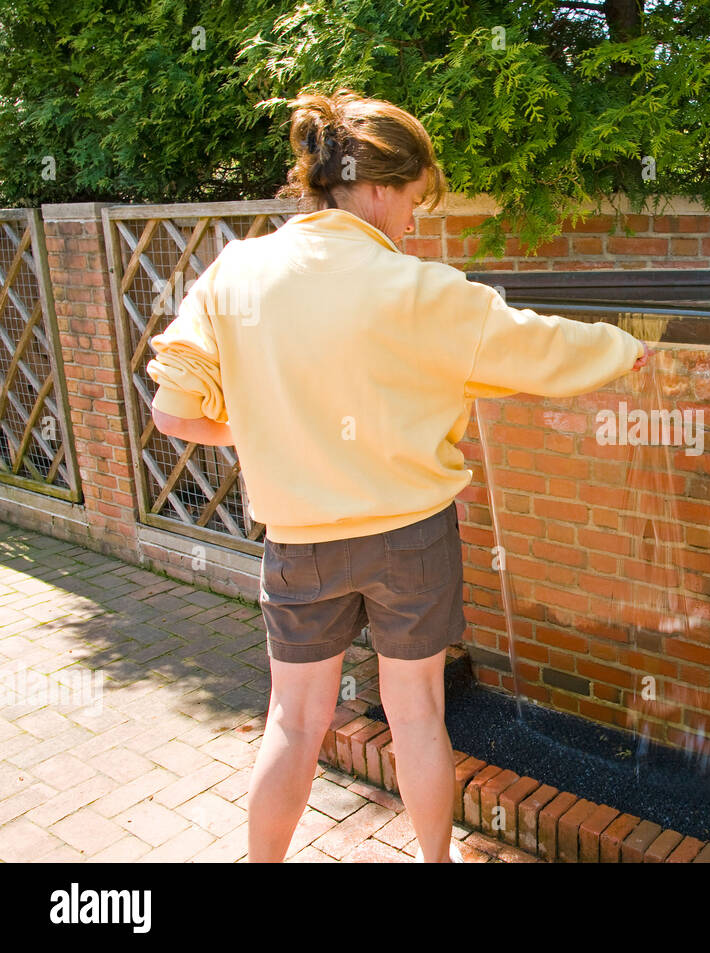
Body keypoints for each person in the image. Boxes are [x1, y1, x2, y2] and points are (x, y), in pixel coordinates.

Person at [145, 88, 652, 863]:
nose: (414, 221)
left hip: (300, 544)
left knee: (292, 721)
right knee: (415, 713)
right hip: (409, 538)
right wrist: (624, 347)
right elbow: (536, 347)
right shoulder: (416, 290)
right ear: (379, 186)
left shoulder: (238, 273)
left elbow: (174, 412)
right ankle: (435, 862)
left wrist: (279, 435)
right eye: (414, 201)